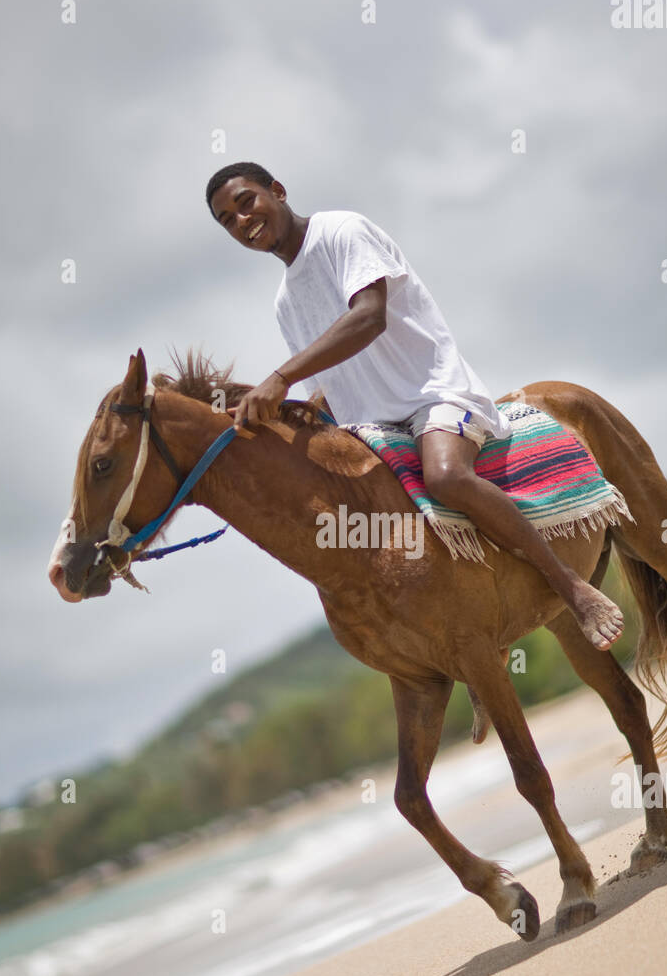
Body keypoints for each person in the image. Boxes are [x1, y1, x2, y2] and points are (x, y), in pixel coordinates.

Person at [205, 161, 623, 650]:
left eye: (245, 202)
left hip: (435, 396)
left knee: (445, 478)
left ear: (277, 190)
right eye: (226, 220)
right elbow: (328, 386)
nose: (241, 220)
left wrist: (279, 378)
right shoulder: (284, 302)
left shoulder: (341, 231)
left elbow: (369, 318)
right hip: (375, 427)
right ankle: (482, 635)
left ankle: (573, 588)